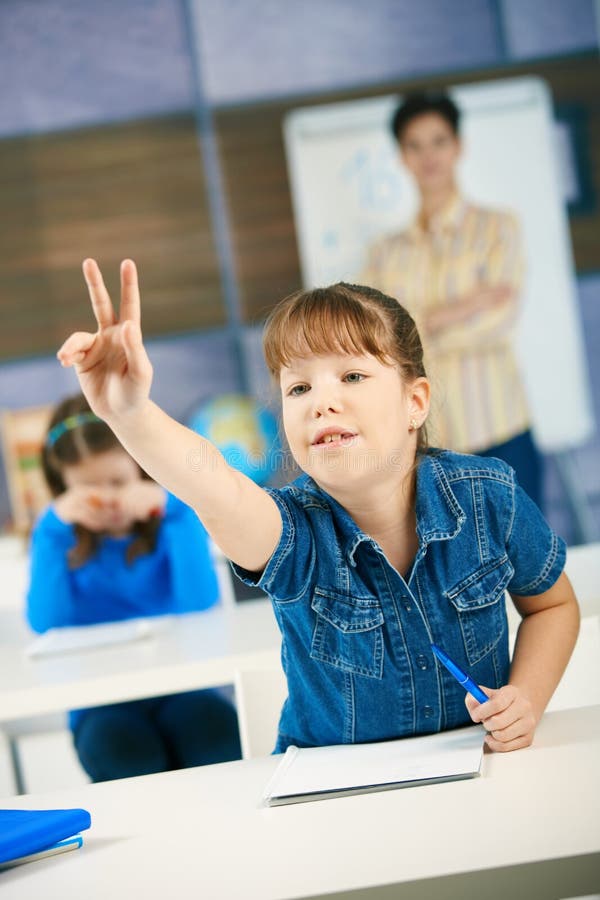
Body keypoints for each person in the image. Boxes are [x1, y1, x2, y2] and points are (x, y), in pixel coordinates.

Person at [57, 259, 579, 754]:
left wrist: (527, 698)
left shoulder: (490, 493)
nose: (321, 401)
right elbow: (213, 483)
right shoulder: (290, 530)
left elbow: (552, 606)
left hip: (479, 770)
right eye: (299, 386)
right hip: (332, 798)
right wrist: (130, 415)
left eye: (352, 376)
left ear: (414, 402)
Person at [27, 393, 241, 782]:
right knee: (125, 758)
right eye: (89, 488)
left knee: (216, 741)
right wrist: (51, 529)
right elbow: (47, 623)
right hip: (101, 703)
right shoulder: (58, 540)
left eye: (118, 481)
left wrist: (176, 509)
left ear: (142, 471)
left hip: (185, 687)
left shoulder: (171, 524)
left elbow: (200, 601)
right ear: (63, 489)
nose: (108, 499)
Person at [361, 92, 543, 508]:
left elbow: (499, 322)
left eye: (439, 141)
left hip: (503, 429)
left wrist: (416, 329)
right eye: (415, 145)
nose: (429, 156)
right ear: (402, 156)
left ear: (458, 146)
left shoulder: (498, 228)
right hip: (433, 445)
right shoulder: (384, 254)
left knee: (530, 567)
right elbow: (379, 340)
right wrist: (461, 308)